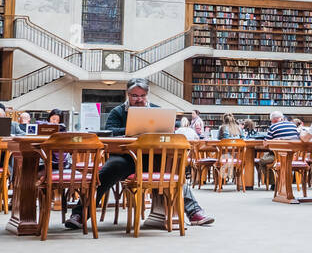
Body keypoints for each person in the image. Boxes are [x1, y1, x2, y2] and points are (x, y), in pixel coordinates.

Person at [64, 79, 213, 229]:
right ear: (127, 94)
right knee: (105, 173)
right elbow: (109, 132)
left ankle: (194, 212)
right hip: (125, 158)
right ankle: (80, 214)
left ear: (147, 95)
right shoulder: (117, 112)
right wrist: (133, 130)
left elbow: (170, 131)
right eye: (134, 95)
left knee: (174, 170)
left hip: (153, 157)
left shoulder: (158, 111)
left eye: (142, 95)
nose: (139, 99)